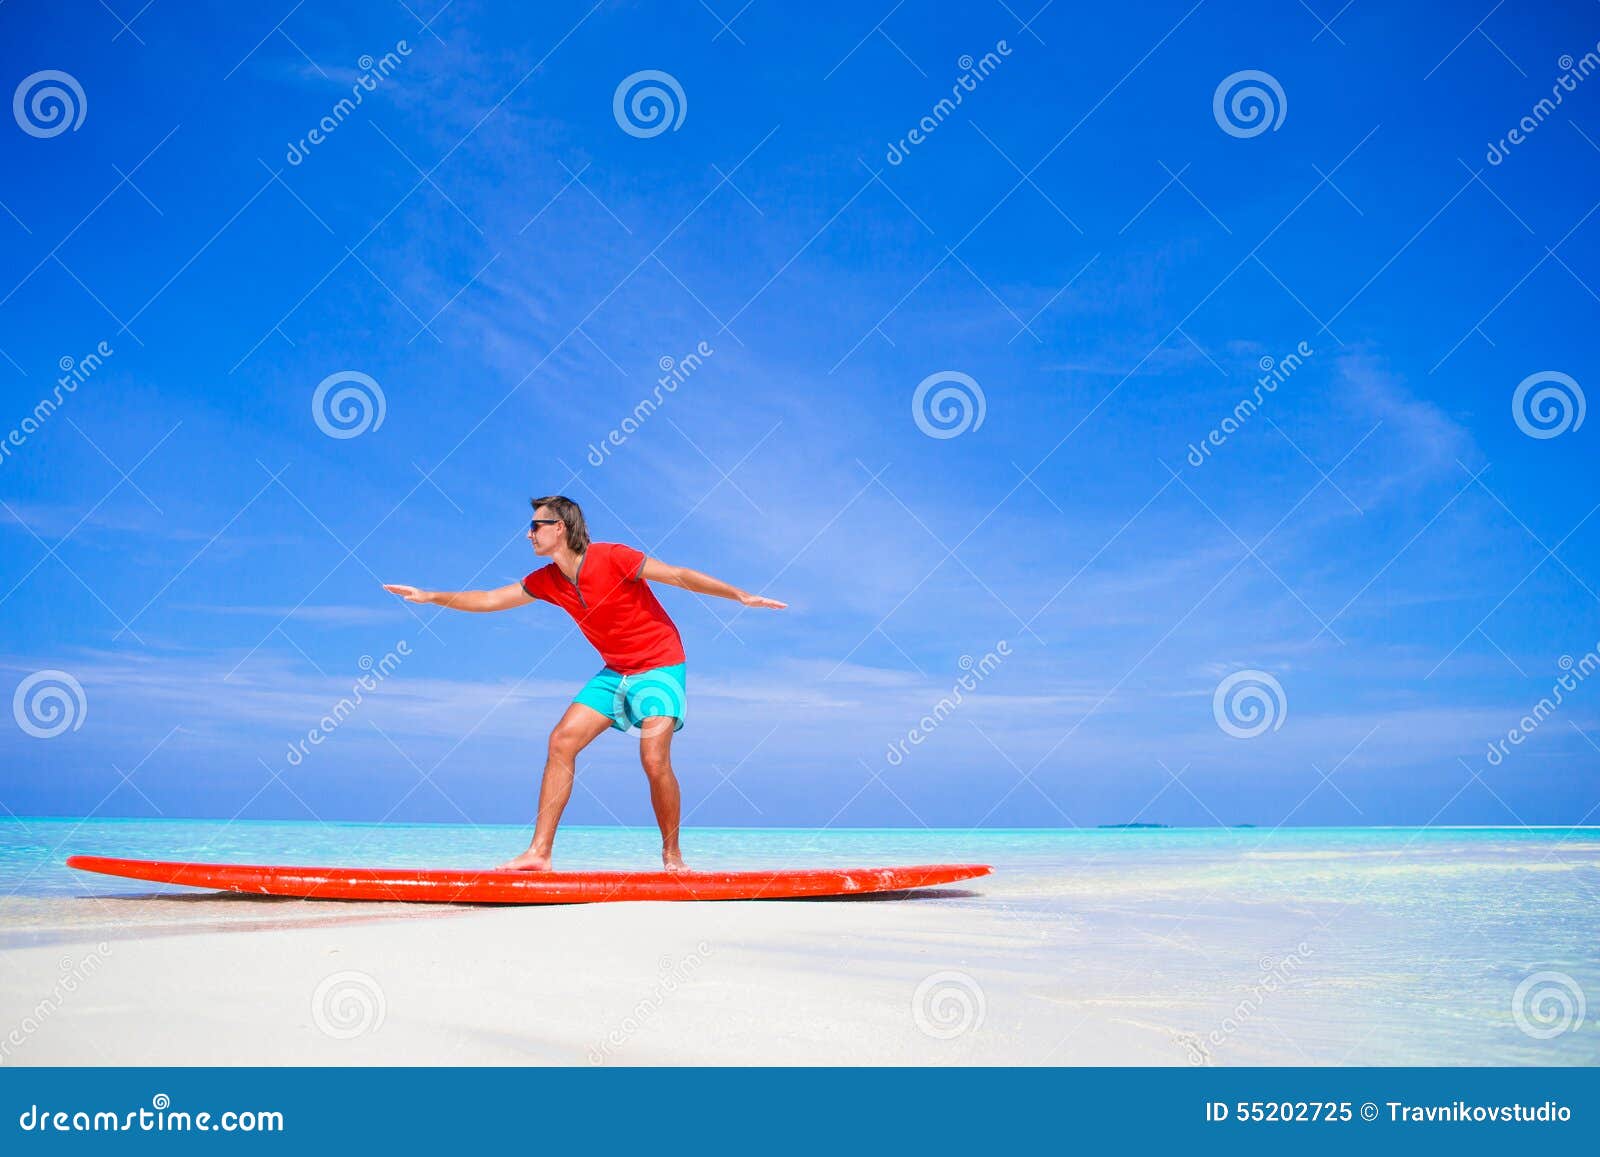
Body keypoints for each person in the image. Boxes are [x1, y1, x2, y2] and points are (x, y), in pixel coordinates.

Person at [383, 495, 786, 872]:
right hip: (615, 671)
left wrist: (741, 596)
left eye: (535, 525)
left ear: (560, 527)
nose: (528, 533)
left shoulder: (612, 556)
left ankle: (672, 855)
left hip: (661, 664)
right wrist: (430, 596)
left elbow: (678, 575)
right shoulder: (548, 580)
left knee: (653, 760)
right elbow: (490, 600)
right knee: (562, 741)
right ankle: (539, 853)